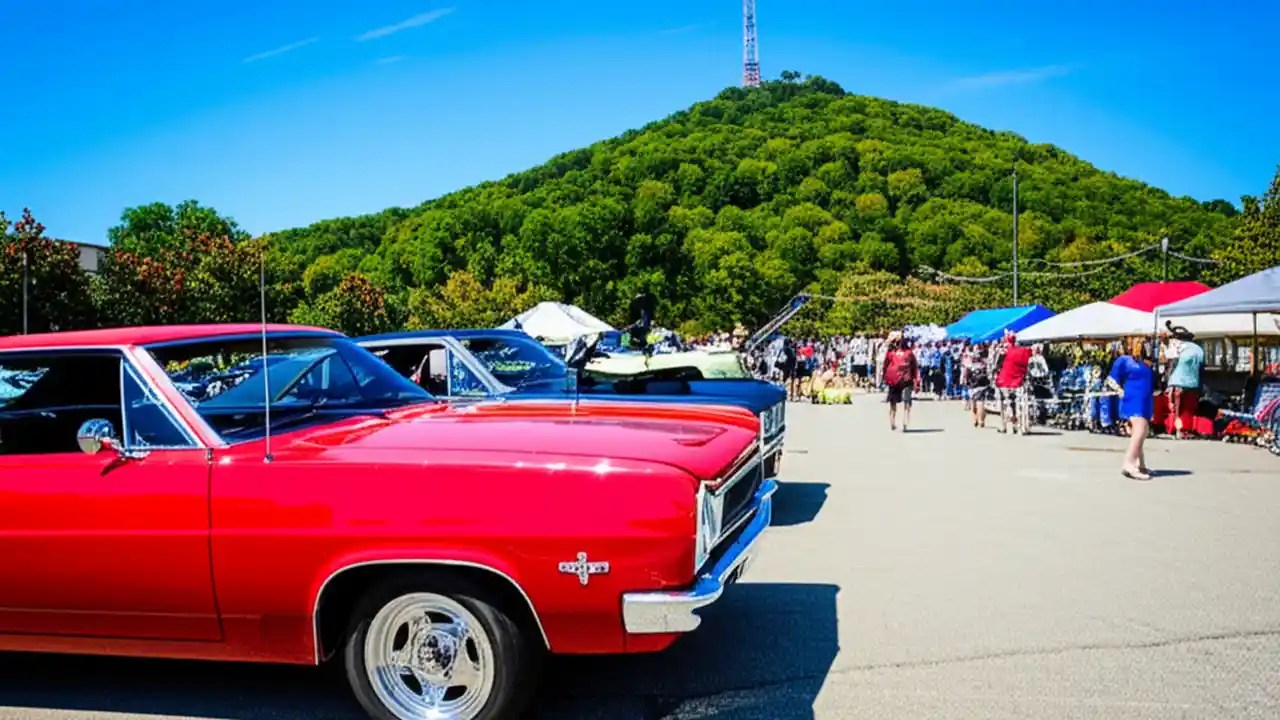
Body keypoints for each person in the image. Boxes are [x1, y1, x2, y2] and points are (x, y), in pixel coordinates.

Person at [1108, 337, 1156, 479]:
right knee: (1139, 430)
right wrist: (1120, 391)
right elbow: (1111, 379)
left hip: (1145, 398)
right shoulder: (1123, 360)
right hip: (1133, 398)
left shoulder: (1145, 362)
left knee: (1142, 431)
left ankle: (1140, 464)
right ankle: (1129, 463)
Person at [1165, 324, 1204, 438]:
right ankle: (1186, 429)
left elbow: (1171, 365)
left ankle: (1178, 430)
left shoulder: (1177, 347)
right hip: (1193, 383)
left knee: (1176, 409)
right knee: (1188, 409)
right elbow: (1201, 369)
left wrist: (1167, 382)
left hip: (1176, 382)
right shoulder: (1199, 349)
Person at [882, 333, 919, 432]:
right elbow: (915, 368)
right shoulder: (906, 353)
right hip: (901, 380)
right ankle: (899, 422)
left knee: (898, 401)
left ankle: (899, 422)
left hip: (900, 380)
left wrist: (884, 376)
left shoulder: (895, 352)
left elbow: (885, 365)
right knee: (902, 401)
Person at [963, 342, 991, 427]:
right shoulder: (985, 356)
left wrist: (964, 379)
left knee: (973, 401)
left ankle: (975, 418)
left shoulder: (968, 356)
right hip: (982, 379)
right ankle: (981, 420)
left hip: (972, 380)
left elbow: (966, 369)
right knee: (980, 401)